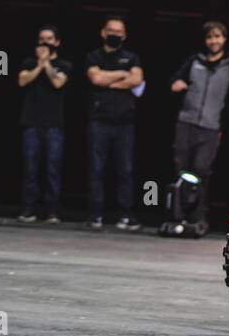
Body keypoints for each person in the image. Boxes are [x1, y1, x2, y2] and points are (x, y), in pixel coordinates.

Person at [168, 21, 229, 233]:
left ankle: (197, 217)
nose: (213, 41)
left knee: (201, 170)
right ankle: (177, 216)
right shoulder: (194, 61)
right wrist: (177, 84)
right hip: (186, 122)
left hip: (211, 127)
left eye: (217, 36)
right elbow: (175, 80)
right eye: (209, 37)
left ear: (224, 39)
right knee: (181, 169)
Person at [85, 17, 143, 231]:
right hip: (99, 121)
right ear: (103, 32)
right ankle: (95, 214)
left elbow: (136, 80)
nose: (115, 34)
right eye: (111, 30)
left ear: (124, 35)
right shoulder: (94, 56)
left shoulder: (131, 57)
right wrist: (122, 75)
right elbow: (96, 80)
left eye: (119, 31)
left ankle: (125, 215)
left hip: (124, 123)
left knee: (125, 170)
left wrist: (108, 79)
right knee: (96, 169)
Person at [16, 26, 72, 223]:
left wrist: (47, 64)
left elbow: (58, 83)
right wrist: (39, 65)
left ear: (56, 42)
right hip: (31, 121)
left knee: (52, 168)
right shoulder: (29, 62)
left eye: (49, 39)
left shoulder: (64, 64)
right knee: (30, 167)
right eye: (41, 39)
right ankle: (28, 209)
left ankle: (52, 210)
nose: (44, 42)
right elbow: (22, 81)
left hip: (54, 123)